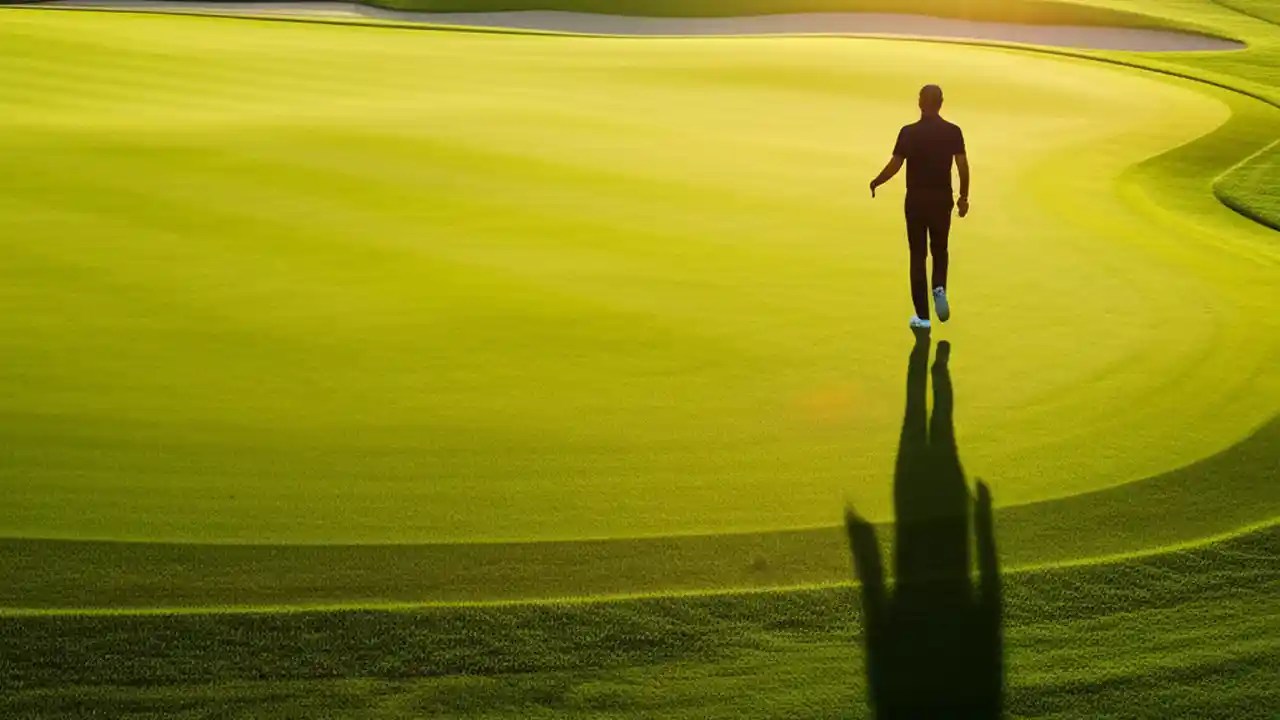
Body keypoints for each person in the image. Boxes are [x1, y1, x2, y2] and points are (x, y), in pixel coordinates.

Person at [869, 84, 970, 330]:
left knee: (917, 255)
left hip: (916, 200)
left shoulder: (908, 132)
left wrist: (876, 181)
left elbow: (896, 164)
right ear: (941, 102)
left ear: (920, 103)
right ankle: (939, 288)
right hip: (942, 199)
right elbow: (962, 166)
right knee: (940, 250)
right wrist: (963, 197)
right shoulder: (953, 131)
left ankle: (923, 317)